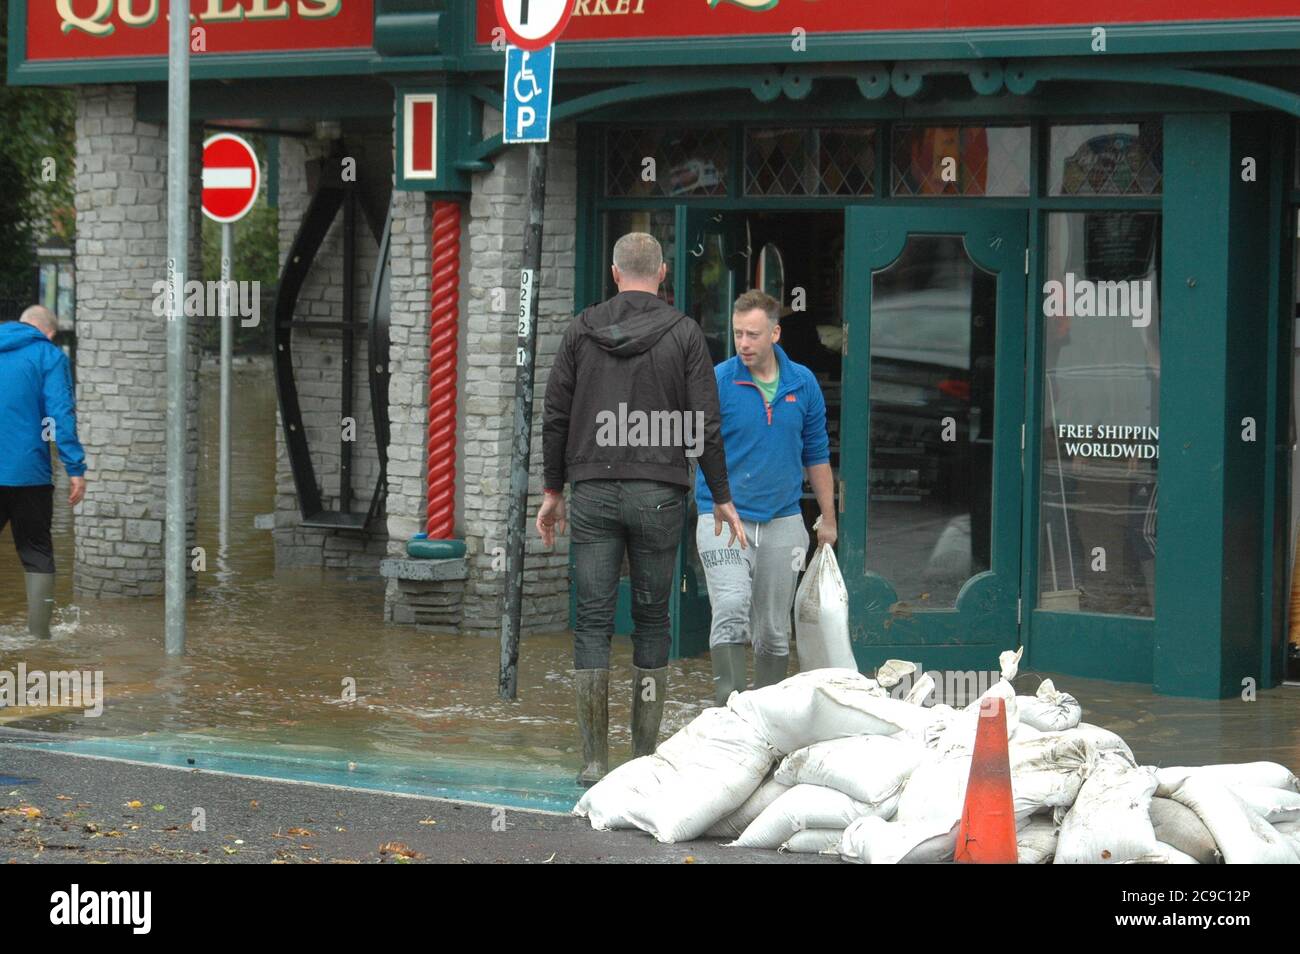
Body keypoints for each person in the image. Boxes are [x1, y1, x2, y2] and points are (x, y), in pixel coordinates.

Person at [537, 232, 747, 786]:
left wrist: (553, 491)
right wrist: (721, 496)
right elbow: (706, 422)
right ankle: (643, 759)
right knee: (653, 619)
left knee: (592, 620)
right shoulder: (684, 334)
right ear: (662, 273)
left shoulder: (581, 329)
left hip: (593, 492)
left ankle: (592, 761)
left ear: (613, 272)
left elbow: (555, 414)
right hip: (659, 492)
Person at [696, 289, 836, 705]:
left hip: (782, 520)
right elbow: (695, 444)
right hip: (722, 517)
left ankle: (768, 712)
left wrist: (828, 517)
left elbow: (817, 453)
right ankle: (729, 706)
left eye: (753, 334)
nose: (744, 343)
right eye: (738, 334)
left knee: (774, 628)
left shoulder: (803, 382)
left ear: (775, 333)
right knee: (732, 605)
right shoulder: (717, 380)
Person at [0, 306, 86, 638]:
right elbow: (60, 416)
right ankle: (39, 639)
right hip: (29, 475)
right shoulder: (48, 355)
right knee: (36, 551)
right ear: (48, 332)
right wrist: (74, 466)